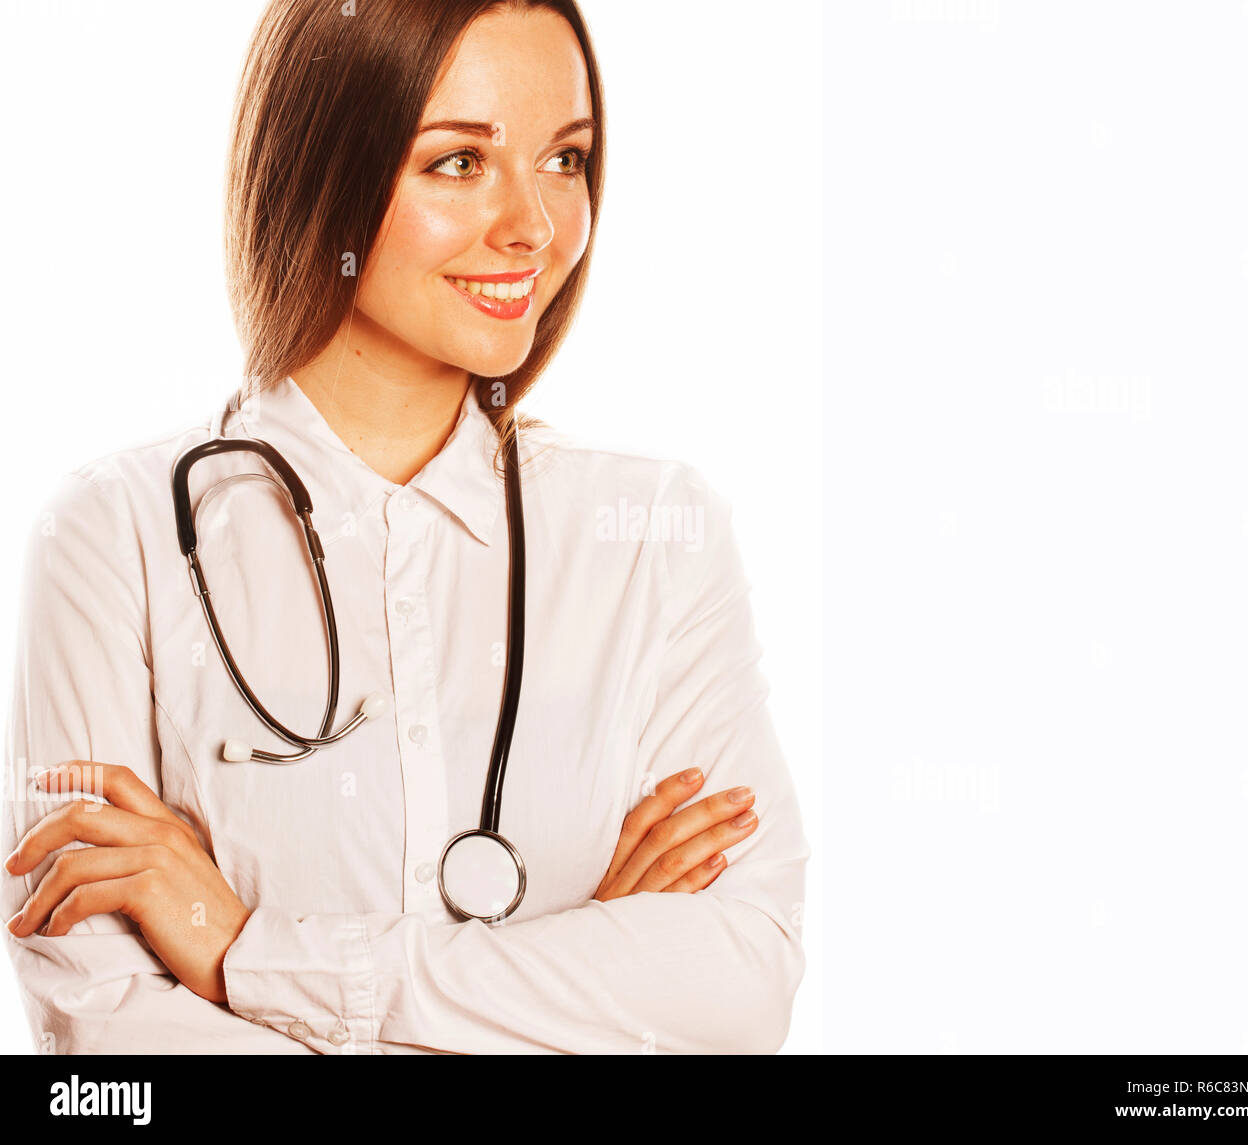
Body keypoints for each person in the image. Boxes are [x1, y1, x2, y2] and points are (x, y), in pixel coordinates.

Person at [1, 0, 809, 1054]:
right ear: (322, 165)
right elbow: (109, 1037)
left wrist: (243, 948)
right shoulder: (114, 538)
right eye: (459, 163)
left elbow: (738, 984)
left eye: (565, 159)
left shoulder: (653, 532)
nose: (534, 224)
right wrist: (577, 970)